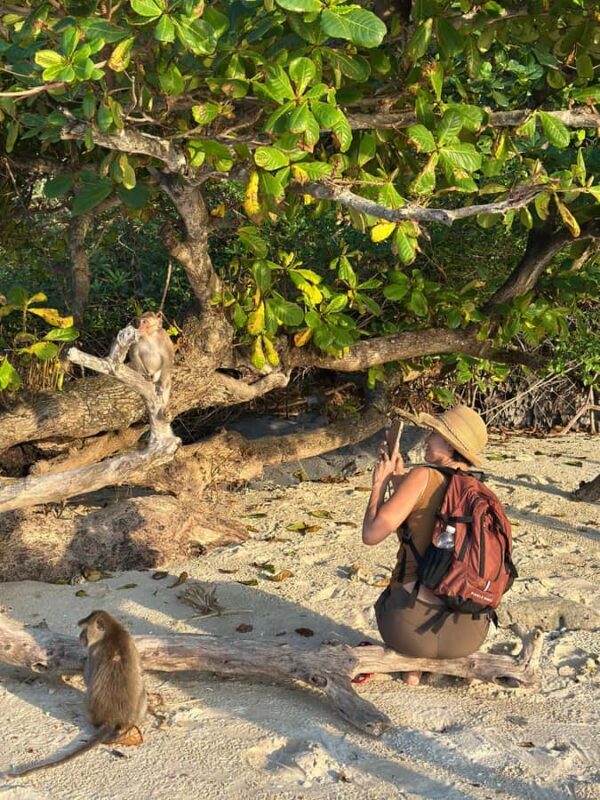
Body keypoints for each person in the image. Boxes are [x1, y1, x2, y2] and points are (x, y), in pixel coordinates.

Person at [362, 405, 490, 686]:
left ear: (449, 444)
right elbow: (424, 511)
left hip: (408, 630)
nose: (426, 439)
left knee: (395, 591)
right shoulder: (481, 492)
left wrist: (380, 485)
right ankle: (424, 663)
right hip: (469, 633)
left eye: (433, 433)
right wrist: (399, 477)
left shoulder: (422, 476)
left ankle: (413, 666)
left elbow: (371, 534)